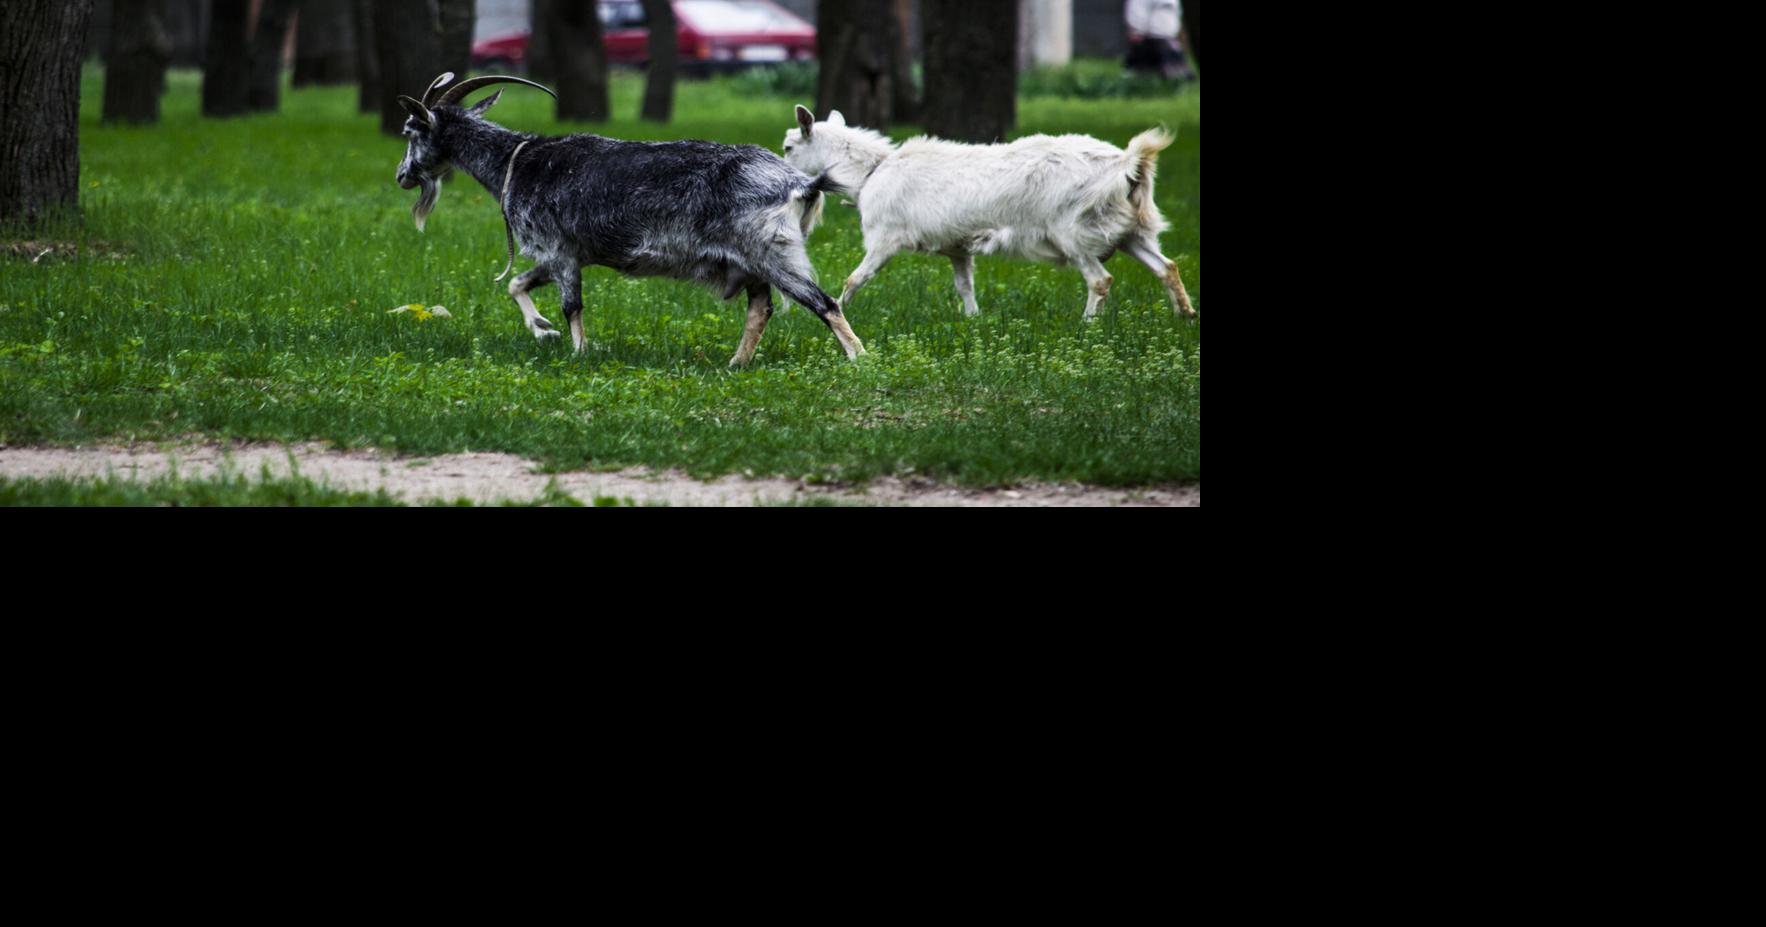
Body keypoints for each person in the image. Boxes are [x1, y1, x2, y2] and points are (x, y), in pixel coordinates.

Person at [1124, 0, 1195, 80]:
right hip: (1151, 36)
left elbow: (1177, 12)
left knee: (1175, 68)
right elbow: (1137, 10)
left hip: (1168, 35)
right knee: (1145, 68)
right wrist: (1137, 30)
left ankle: (1174, 81)